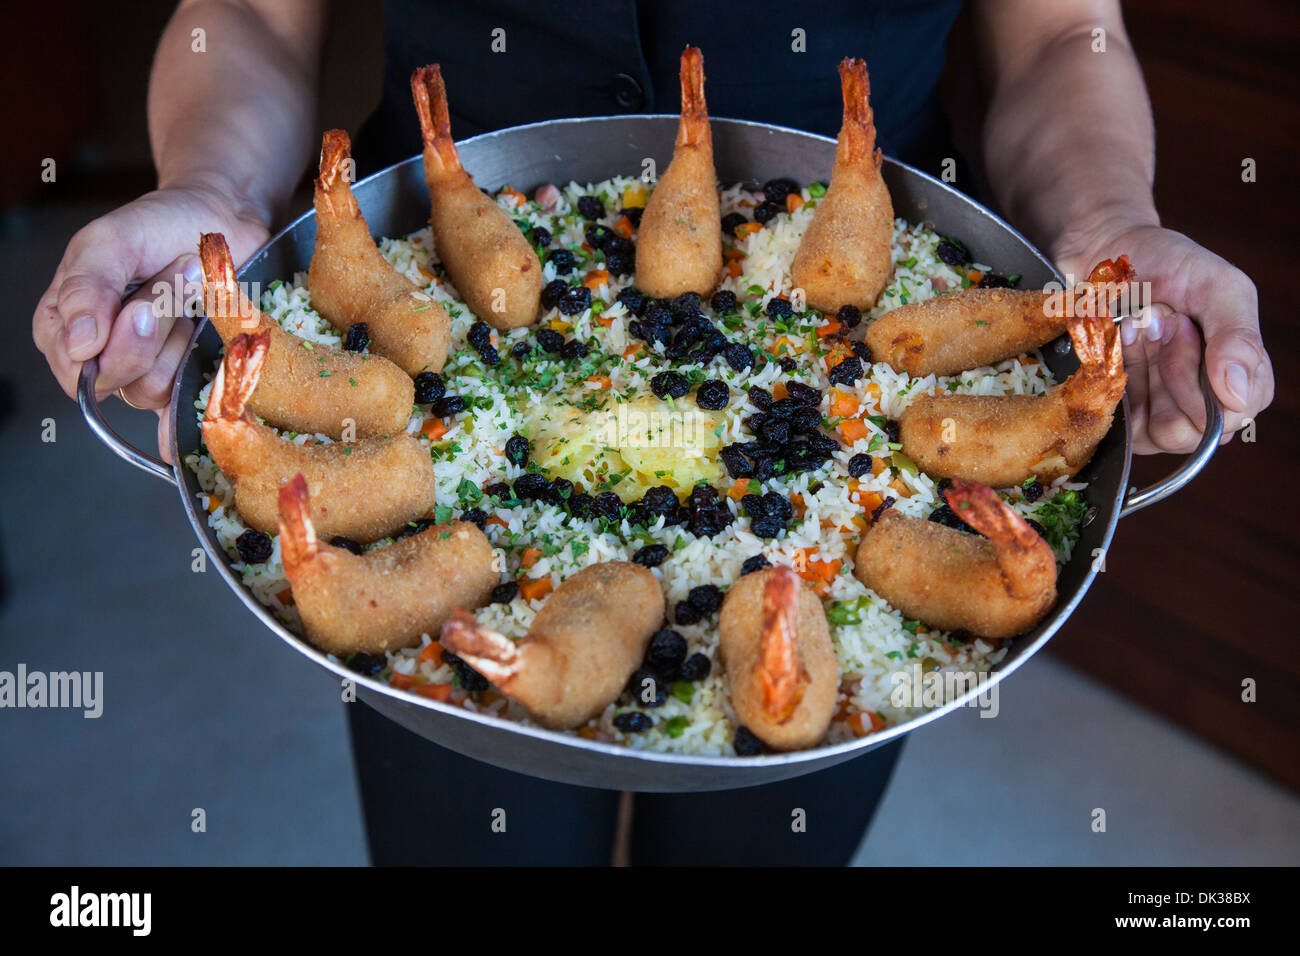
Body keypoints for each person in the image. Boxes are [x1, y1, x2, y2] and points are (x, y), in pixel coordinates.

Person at [32, 0, 1274, 865]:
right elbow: (244, 14)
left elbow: (1060, 30)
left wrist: (1106, 220)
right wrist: (208, 191)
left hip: (858, 373)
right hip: (431, 308)